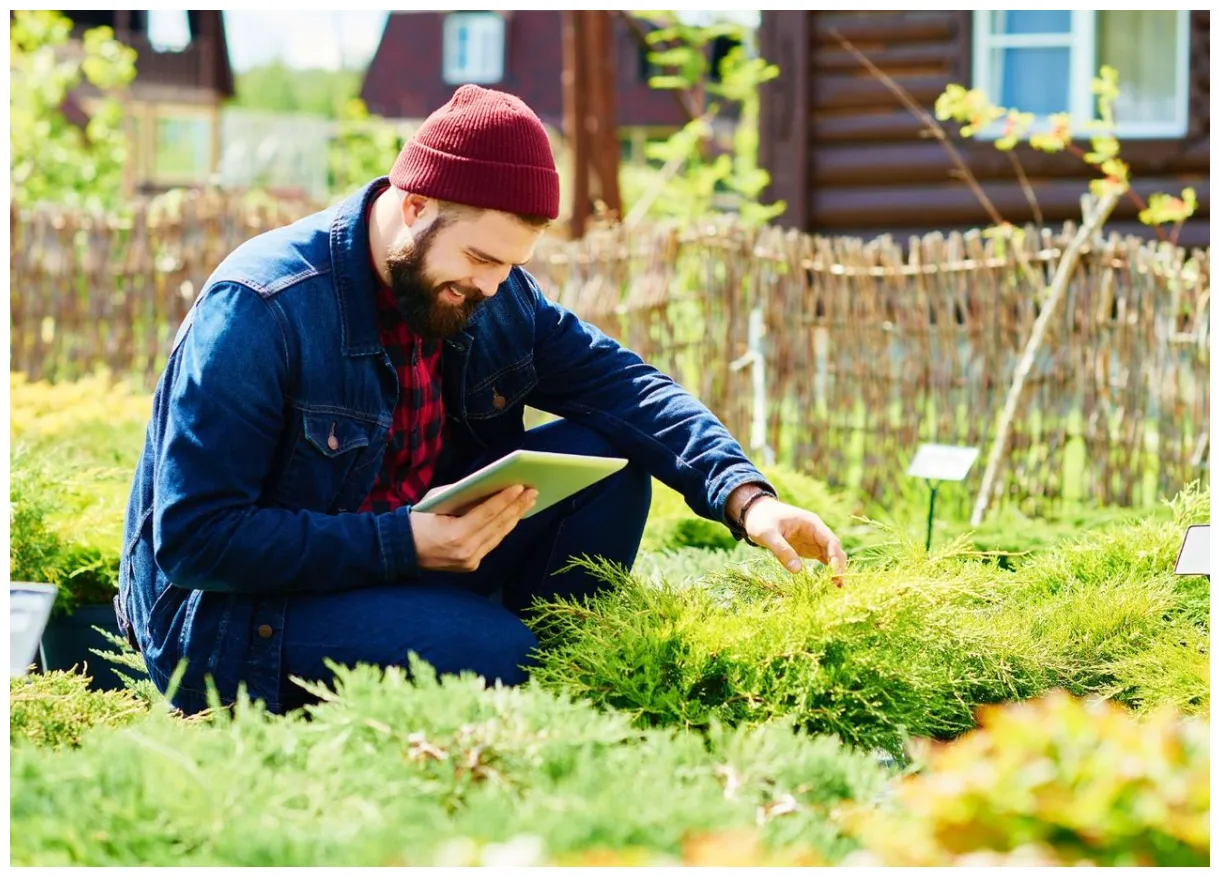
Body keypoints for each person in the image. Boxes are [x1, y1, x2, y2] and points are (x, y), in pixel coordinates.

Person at [115, 85, 847, 716]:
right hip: (233, 618)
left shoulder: (488, 292)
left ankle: (519, 661)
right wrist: (404, 542)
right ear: (415, 205)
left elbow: (627, 386)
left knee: (613, 458)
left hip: (414, 553)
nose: (494, 286)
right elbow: (196, 539)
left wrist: (748, 499)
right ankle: (501, 661)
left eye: (511, 265)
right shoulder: (262, 308)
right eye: (481, 259)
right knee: (507, 657)